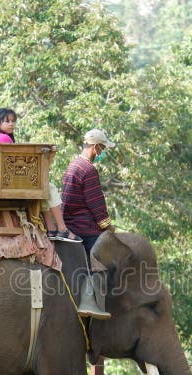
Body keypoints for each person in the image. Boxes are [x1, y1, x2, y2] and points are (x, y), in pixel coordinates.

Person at [0, 108, 81, 243]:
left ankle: (51, 229)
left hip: (2, 180)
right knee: (49, 188)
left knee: (45, 187)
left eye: (13, 121)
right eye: (7, 121)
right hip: (8, 182)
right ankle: (62, 228)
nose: (11, 124)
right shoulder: (3, 138)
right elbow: (15, 163)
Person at [61, 128, 117, 320]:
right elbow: (96, 203)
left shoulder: (73, 165)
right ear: (94, 147)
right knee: (102, 260)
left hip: (69, 223)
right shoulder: (89, 169)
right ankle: (89, 302)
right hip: (85, 227)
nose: (103, 152)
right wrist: (107, 226)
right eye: (102, 148)